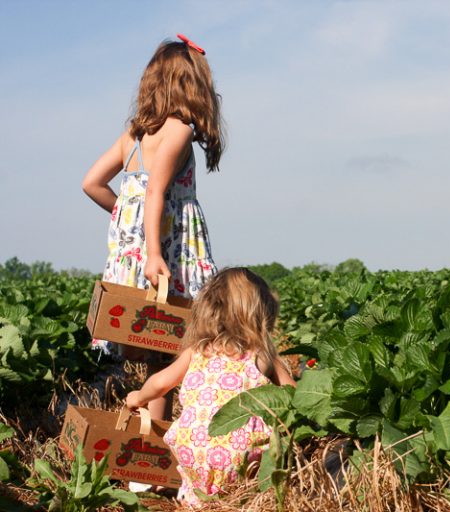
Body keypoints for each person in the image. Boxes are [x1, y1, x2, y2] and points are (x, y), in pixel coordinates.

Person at [82, 34, 222, 420]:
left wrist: (126, 221)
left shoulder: (135, 134)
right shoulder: (178, 129)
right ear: (192, 85)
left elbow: (91, 183)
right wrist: (154, 251)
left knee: (157, 352)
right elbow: (157, 191)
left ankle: (149, 442)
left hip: (137, 254)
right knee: (171, 351)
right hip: (169, 256)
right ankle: (155, 453)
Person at [126, 268, 296, 505]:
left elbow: (160, 383)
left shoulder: (198, 351)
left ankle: (196, 500)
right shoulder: (262, 354)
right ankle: (244, 500)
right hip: (243, 452)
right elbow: (294, 396)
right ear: (262, 313)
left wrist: (137, 397)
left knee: (199, 487)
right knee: (261, 465)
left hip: (192, 447)